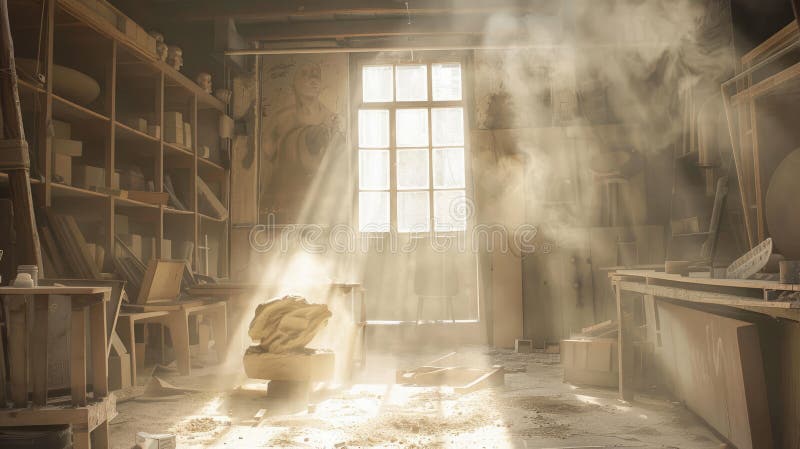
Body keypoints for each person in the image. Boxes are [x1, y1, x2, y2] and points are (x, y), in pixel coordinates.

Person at [261, 62, 346, 224]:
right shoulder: (283, 118)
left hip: (318, 199)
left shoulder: (331, 118)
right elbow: (267, 147)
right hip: (285, 194)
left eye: (316, 75)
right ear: (294, 83)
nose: (313, 79)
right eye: (305, 74)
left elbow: (338, 158)